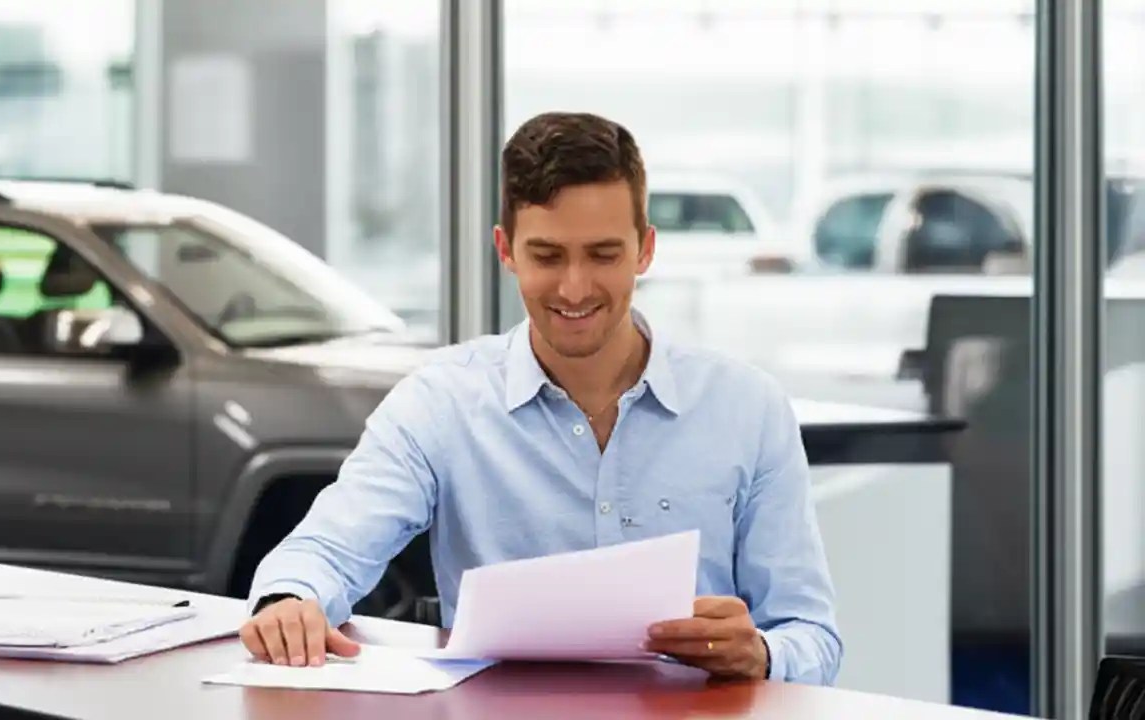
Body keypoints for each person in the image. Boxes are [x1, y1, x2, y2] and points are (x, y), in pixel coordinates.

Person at [240, 111, 842, 684]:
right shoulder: (441, 402)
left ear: (645, 249)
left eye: (604, 255)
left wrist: (761, 652)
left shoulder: (747, 409)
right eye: (547, 256)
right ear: (505, 250)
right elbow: (322, 550)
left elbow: (813, 636)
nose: (574, 287)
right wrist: (291, 599)